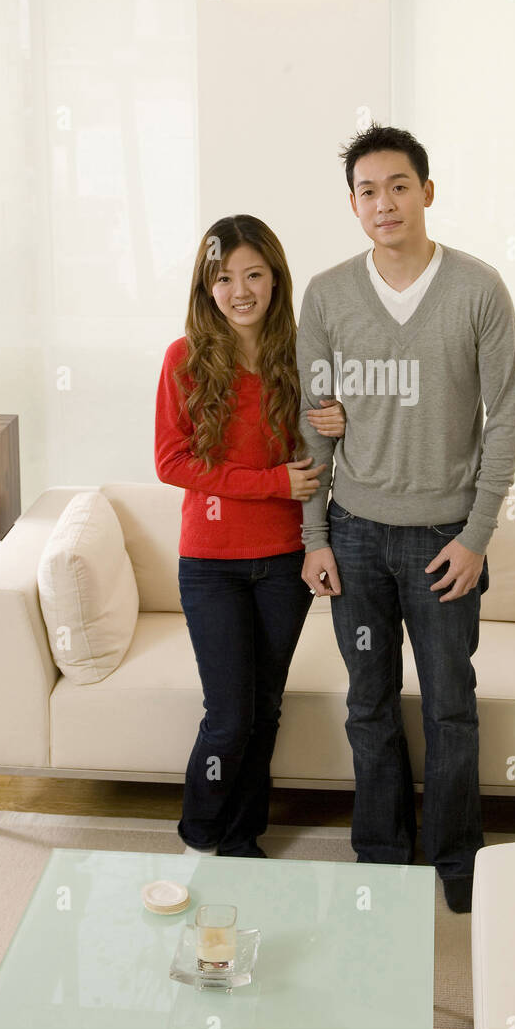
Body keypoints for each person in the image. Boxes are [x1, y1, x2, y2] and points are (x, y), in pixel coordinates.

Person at [295, 124, 515, 912]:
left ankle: (459, 869)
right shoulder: (326, 294)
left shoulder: (477, 289)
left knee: (451, 708)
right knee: (368, 704)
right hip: (354, 534)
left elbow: (506, 419)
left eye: (398, 185)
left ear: (426, 191)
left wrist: (475, 536)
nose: (383, 202)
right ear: (352, 206)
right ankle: (382, 862)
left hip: (442, 541)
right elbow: (312, 416)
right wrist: (315, 535)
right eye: (367, 190)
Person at [155, 215, 346, 856]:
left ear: (275, 280)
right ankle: (200, 835)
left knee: (265, 709)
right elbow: (172, 462)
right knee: (229, 716)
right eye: (225, 277)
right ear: (207, 286)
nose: (240, 290)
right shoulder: (184, 359)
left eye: (254, 275)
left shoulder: (300, 357)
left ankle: (243, 839)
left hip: (283, 560)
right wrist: (269, 483)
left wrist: (344, 419)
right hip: (211, 565)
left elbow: (320, 449)